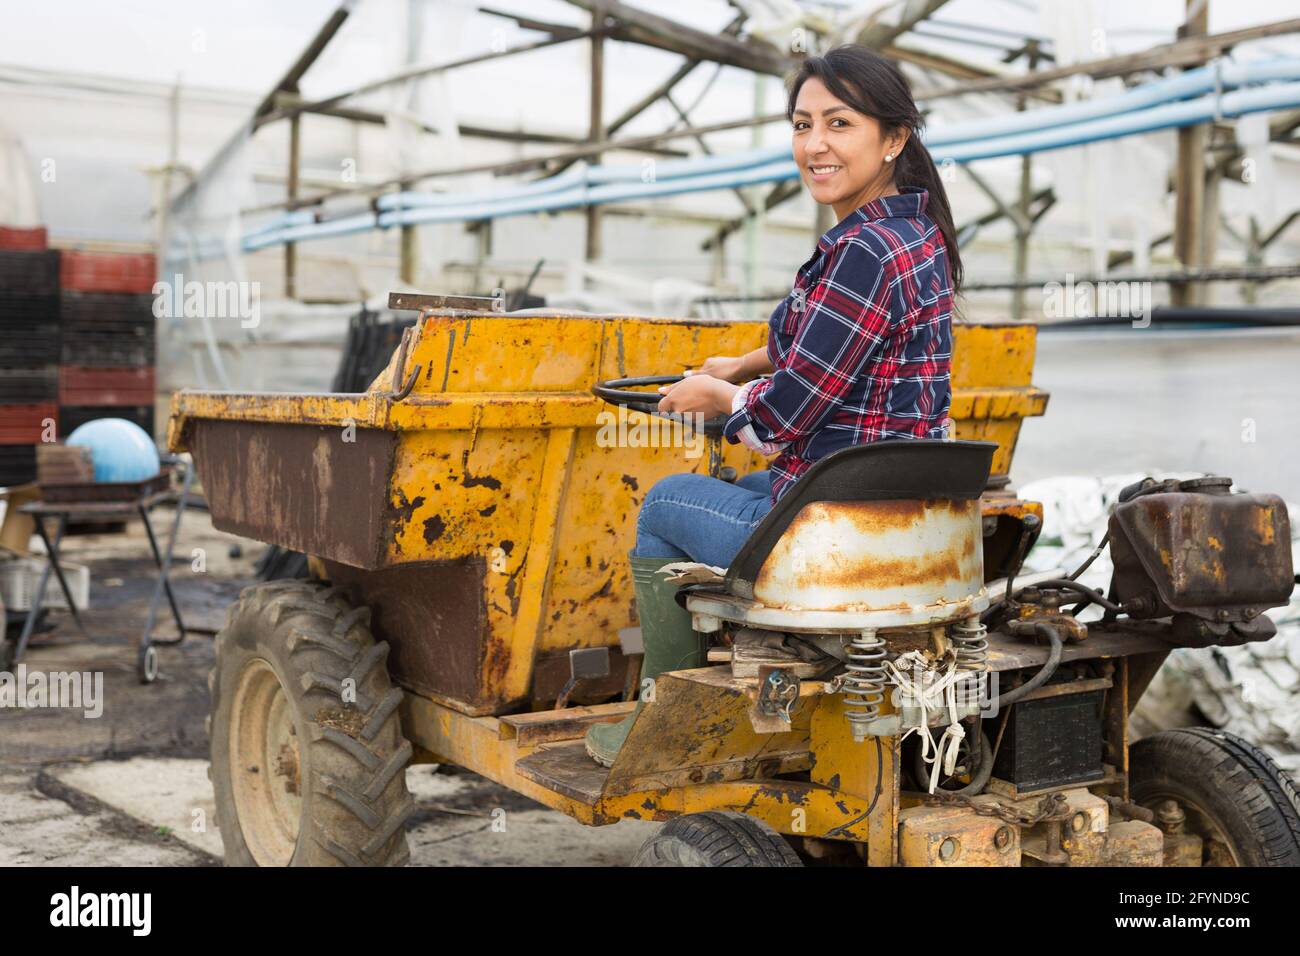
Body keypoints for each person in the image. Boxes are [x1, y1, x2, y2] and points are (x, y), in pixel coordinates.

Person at [586, 45, 962, 767]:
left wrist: (719, 396)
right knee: (750, 487)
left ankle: (659, 718)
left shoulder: (863, 251)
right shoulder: (916, 236)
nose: (815, 144)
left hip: (836, 539)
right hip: (905, 515)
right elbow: (837, 335)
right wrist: (744, 362)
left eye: (839, 124)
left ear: (893, 138)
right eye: (802, 124)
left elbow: (781, 419)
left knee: (667, 502)